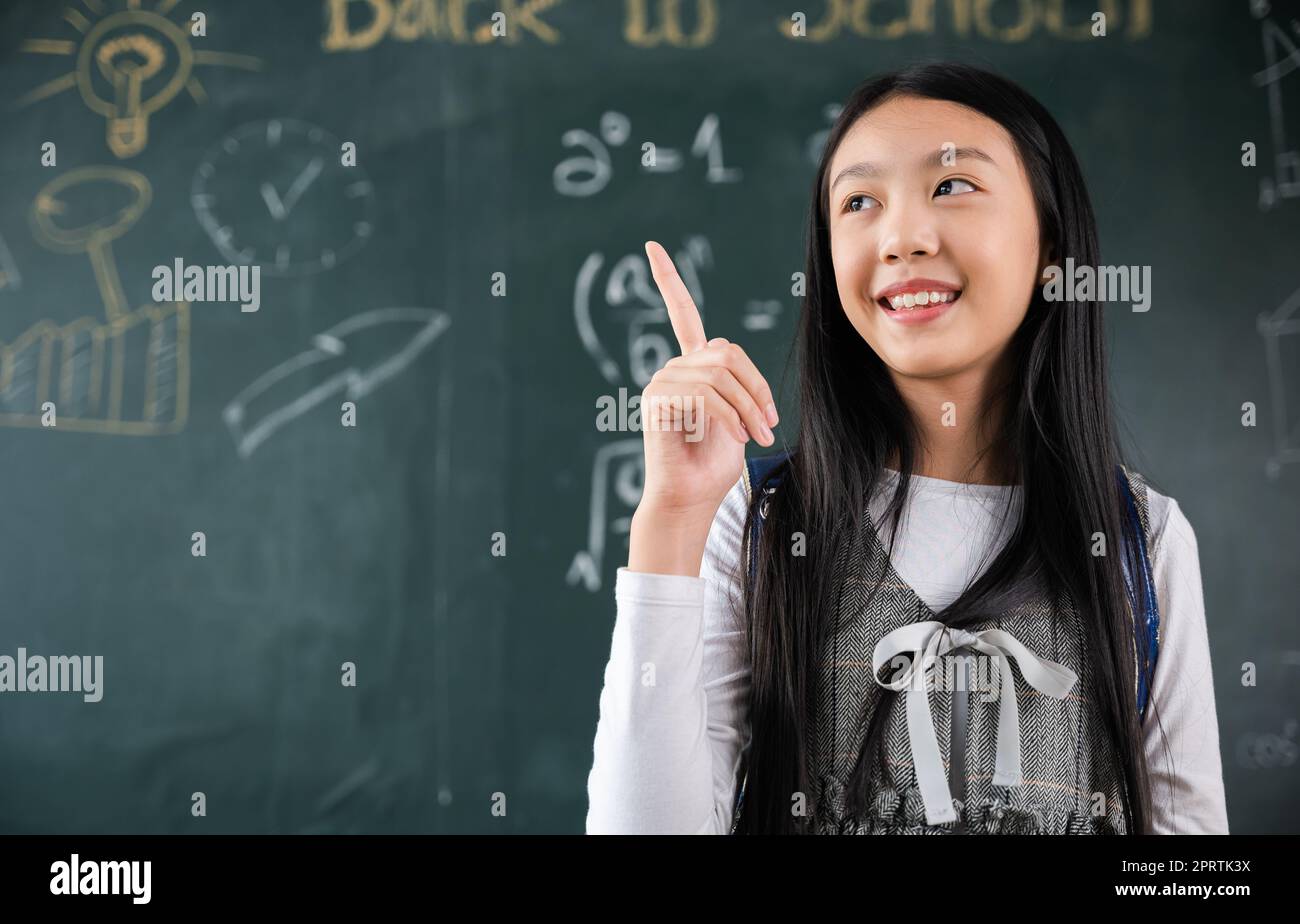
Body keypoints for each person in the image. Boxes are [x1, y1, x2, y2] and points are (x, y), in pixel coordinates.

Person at [585, 62, 1228, 835]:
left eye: (952, 186)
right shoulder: (756, 527)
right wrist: (672, 520)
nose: (901, 238)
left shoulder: (1141, 542)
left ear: (1050, 246)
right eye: (859, 202)